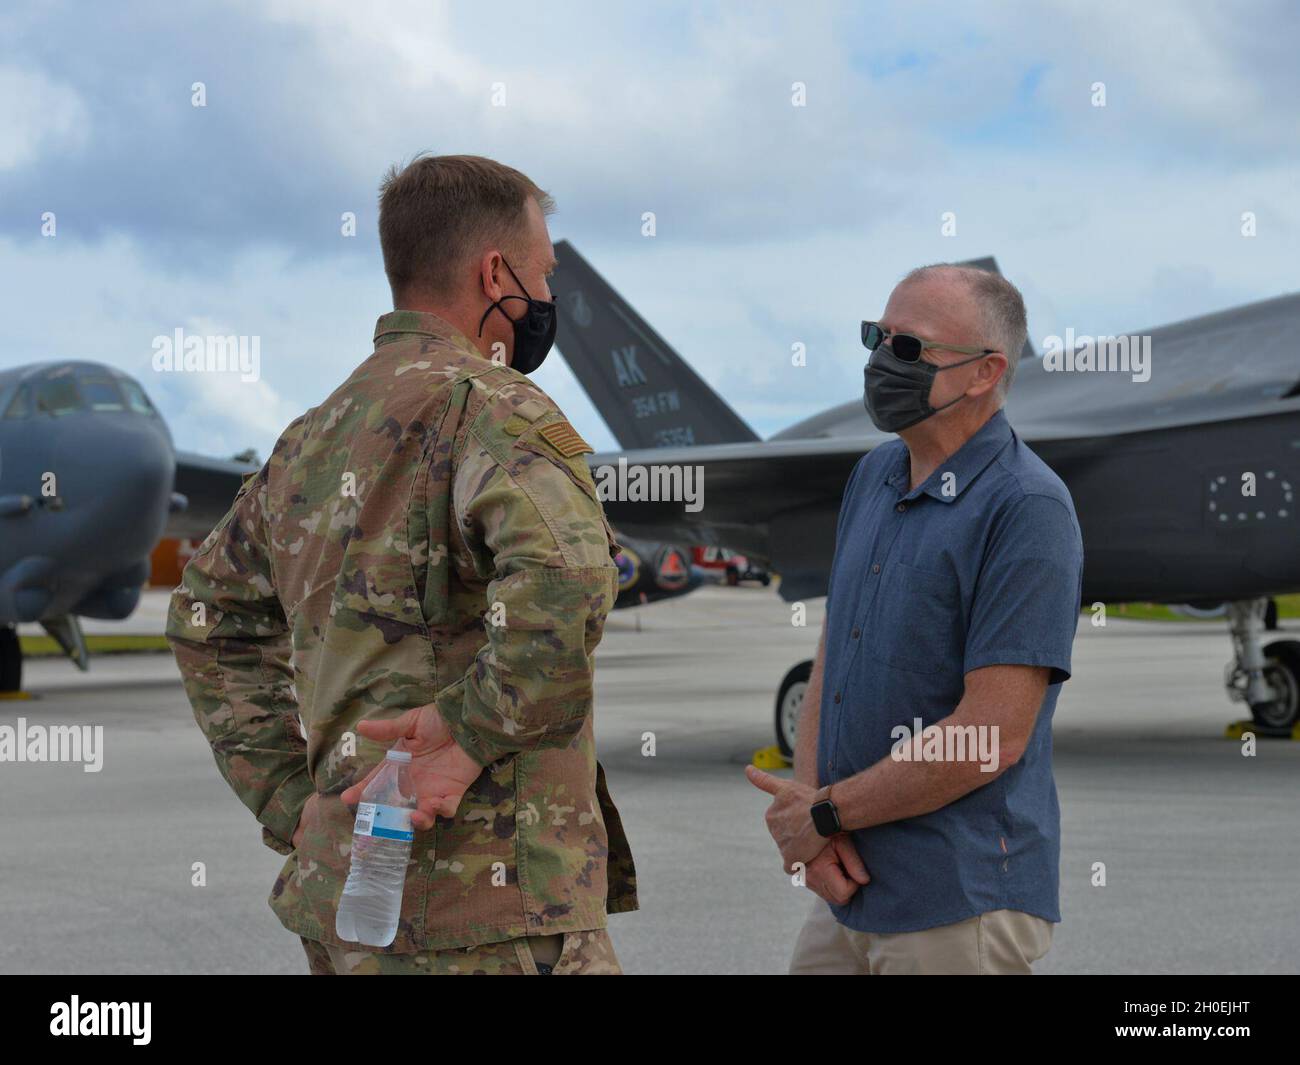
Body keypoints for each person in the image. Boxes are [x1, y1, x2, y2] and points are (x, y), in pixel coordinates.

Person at [166, 154, 636, 975]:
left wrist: (288, 798)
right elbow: (565, 581)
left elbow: (205, 620)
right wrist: (468, 732)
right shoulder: (490, 405)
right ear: (498, 273)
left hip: (350, 909)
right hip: (490, 914)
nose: (549, 298)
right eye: (545, 272)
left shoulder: (310, 437)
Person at [747, 263, 1083, 975]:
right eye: (877, 336)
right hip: (850, 887)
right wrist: (813, 821)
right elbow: (835, 650)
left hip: (956, 900)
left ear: (984, 372)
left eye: (908, 348)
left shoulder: (1026, 507)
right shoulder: (875, 475)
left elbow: (989, 733)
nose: (879, 361)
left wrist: (827, 813)